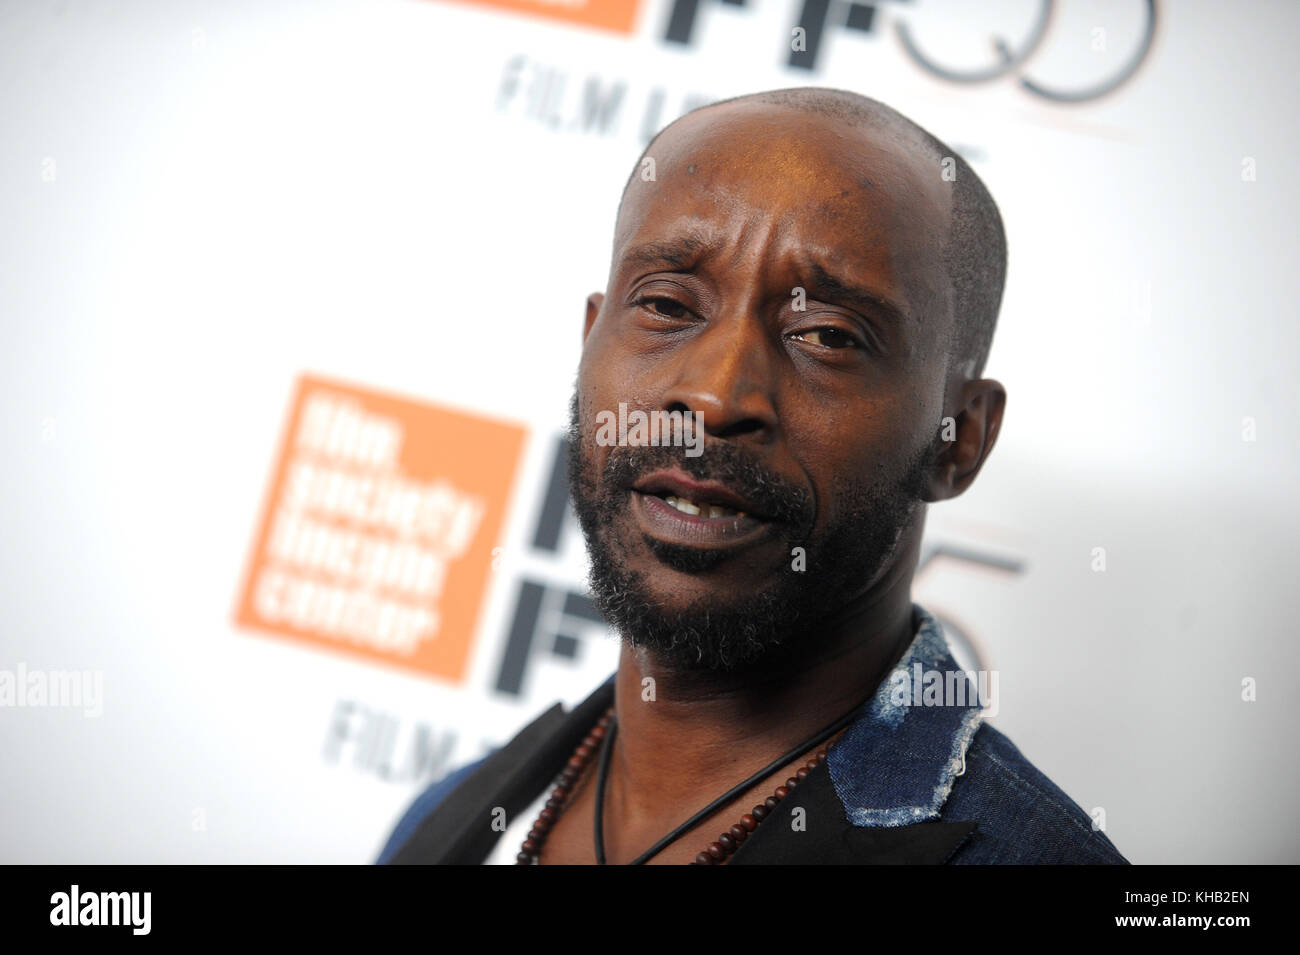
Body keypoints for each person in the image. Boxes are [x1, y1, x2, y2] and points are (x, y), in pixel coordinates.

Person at [378, 86, 1128, 865]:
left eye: (828, 335)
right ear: (591, 337)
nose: (713, 393)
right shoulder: (448, 821)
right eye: (667, 305)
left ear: (959, 439)